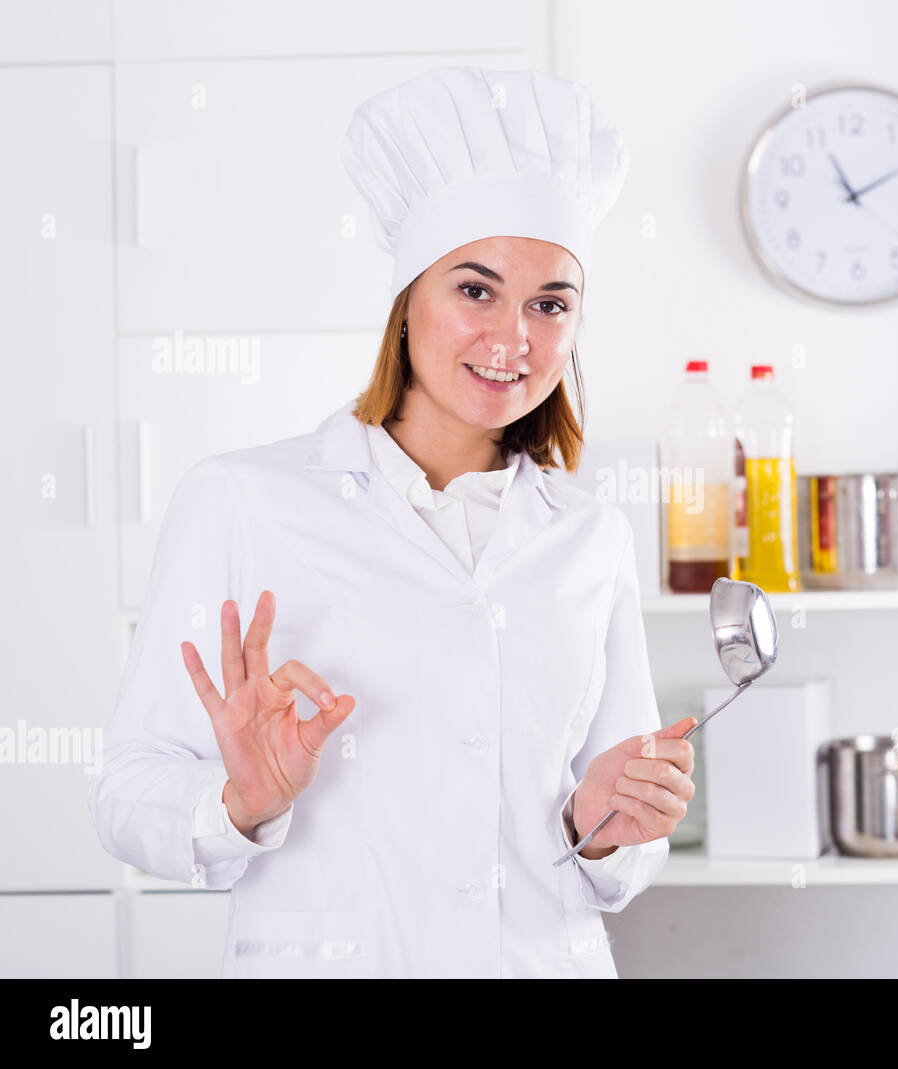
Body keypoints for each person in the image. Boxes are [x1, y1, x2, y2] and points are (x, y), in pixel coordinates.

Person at [89, 65, 694, 979]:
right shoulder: (243, 501)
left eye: (550, 304)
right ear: (408, 302)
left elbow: (614, 854)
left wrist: (602, 827)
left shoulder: (589, 538)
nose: (513, 339)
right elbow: (128, 795)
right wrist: (240, 800)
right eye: (476, 290)